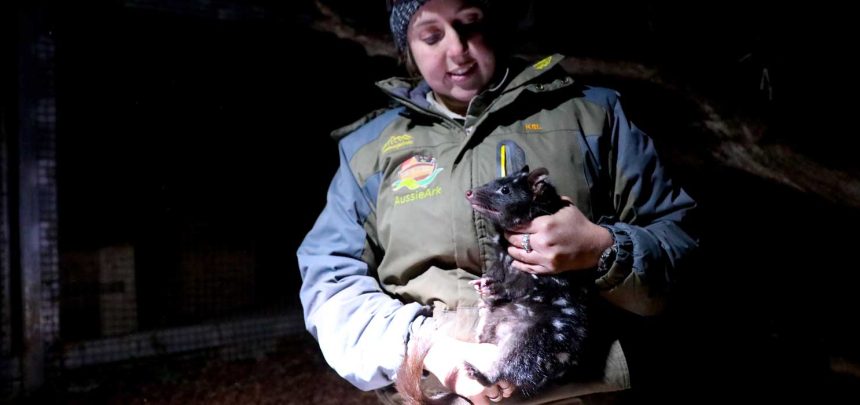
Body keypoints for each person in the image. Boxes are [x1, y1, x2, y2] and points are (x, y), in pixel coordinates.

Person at [297, 0, 698, 403]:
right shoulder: (368, 149)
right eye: (432, 36)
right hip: (435, 394)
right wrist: (427, 347)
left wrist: (601, 248)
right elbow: (330, 282)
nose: (457, 50)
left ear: (495, 24)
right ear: (407, 50)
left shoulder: (593, 115)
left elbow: (682, 244)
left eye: (469, 25)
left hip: (583, 390)